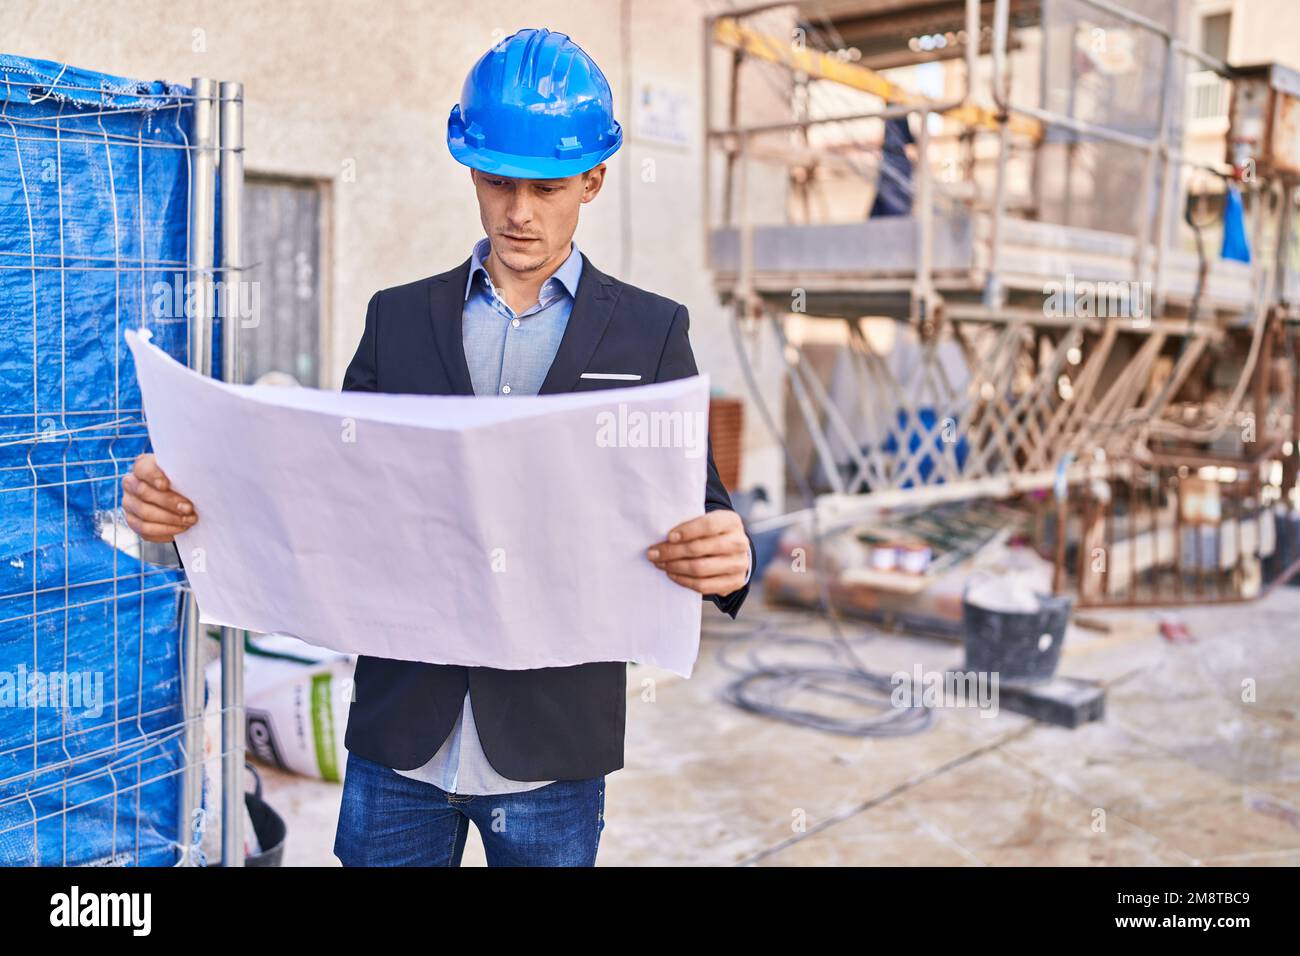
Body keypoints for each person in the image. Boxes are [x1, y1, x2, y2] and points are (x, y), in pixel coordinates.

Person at [121, 27, 754, 867]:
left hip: (551, 751)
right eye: (497, 182)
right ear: (469, 169)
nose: (518, 212)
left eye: (547, 187)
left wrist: (731, 553)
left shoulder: (650, 334)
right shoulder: (398, 321)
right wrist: (185, 513)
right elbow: (325, 497)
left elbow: (698, 508)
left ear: (594, 180)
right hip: (400, 738)